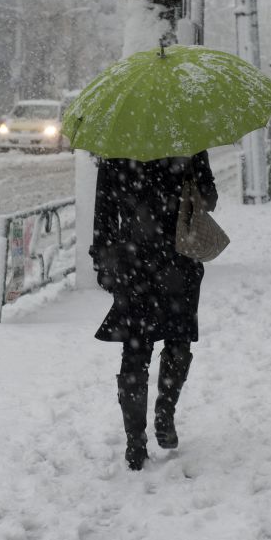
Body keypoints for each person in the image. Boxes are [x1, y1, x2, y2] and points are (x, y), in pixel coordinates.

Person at [89, 152, 218, 471]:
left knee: (136, 349)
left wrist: (104, 261)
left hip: (134, 263)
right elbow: (209, 197)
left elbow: (104, 211)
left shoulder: (118, 145)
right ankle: (164, 415)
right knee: (176, 340)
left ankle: (136, 440)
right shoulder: (184, 135)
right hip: (176, 259)